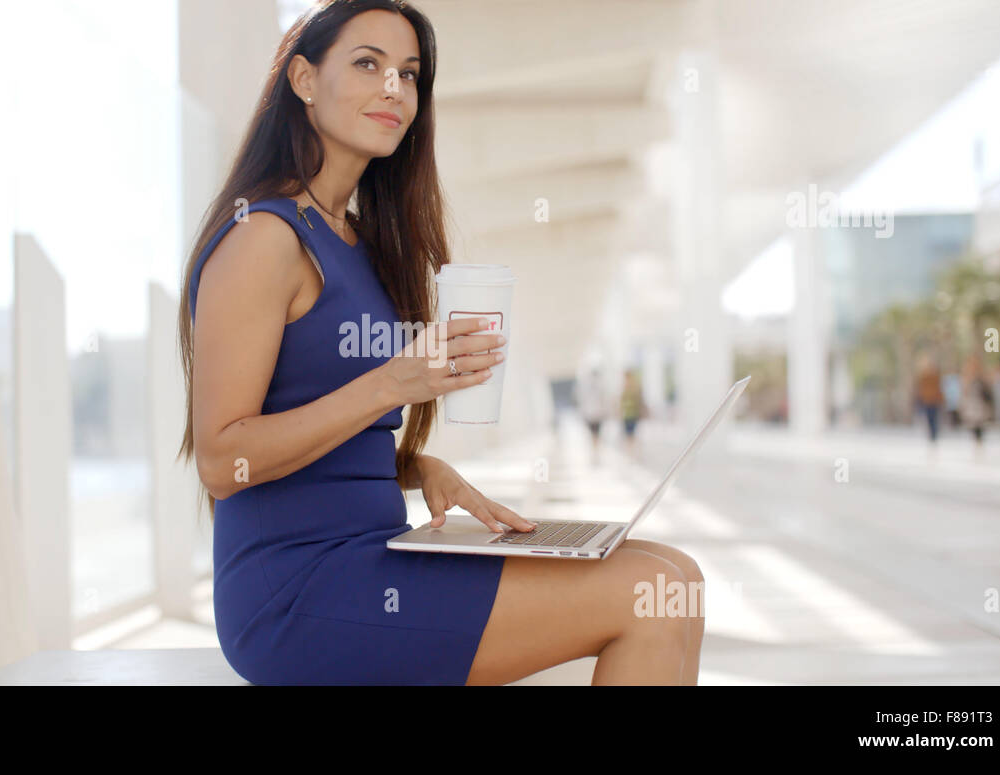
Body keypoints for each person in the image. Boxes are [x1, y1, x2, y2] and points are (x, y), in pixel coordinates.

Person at [177, 2, 702, 687]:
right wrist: (393, 384)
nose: (394, 87)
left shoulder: (358, 244)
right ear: (304, 79)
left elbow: (323, 434)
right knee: (649, 598)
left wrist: (414, 466)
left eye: (409, 73)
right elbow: (223, 459)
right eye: (368, 64)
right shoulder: (264, 239)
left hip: (372, 555)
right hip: (293, 595)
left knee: (676, 577)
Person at [574, 364, 612, 465]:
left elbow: (580, 400)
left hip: (591, 414)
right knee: (596, 434)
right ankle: (596, 451)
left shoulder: (586, 385)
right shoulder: (599, 385)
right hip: (596, 414)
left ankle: (595, 451)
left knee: (593, 434)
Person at [960, 354, 992, 460]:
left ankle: (979, 442)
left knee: (980, 424)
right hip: (971, 405)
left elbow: (987, 392)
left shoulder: (982, 377)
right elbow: (964, 392)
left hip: (980, 404)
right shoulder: (966, 377)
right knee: (973, 424)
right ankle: (976, 442)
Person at [914, 355, 944, 445]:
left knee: (934, 418)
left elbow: (939, 388)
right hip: (927, 401)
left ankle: (934, 434)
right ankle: (931, 434)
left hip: (934, 400)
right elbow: (920, 389)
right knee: (929, 418)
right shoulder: (923, 376)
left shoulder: (935, 376)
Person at [619, 369, 644, 452]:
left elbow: (639, 400)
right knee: (628, 433)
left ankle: (632, 450)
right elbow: (621, 401)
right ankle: (630, 450)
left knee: (632, 433)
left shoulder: (635, 388)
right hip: (626, 414)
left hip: (633, 414)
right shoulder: (624, 388)